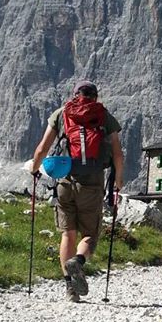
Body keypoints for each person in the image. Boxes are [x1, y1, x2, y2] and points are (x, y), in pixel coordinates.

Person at [28, 81, 124, 302]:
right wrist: (118, 181)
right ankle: (78, 261)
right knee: (89, 235)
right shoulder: (104, 116)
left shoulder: (61, 113)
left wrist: (34, 170)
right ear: (96, 97)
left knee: (67, 234)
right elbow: (118, 153)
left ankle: (70, 289)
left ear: (75, 95)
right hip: (92, 184)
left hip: (64, 181)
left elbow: (43, 148)